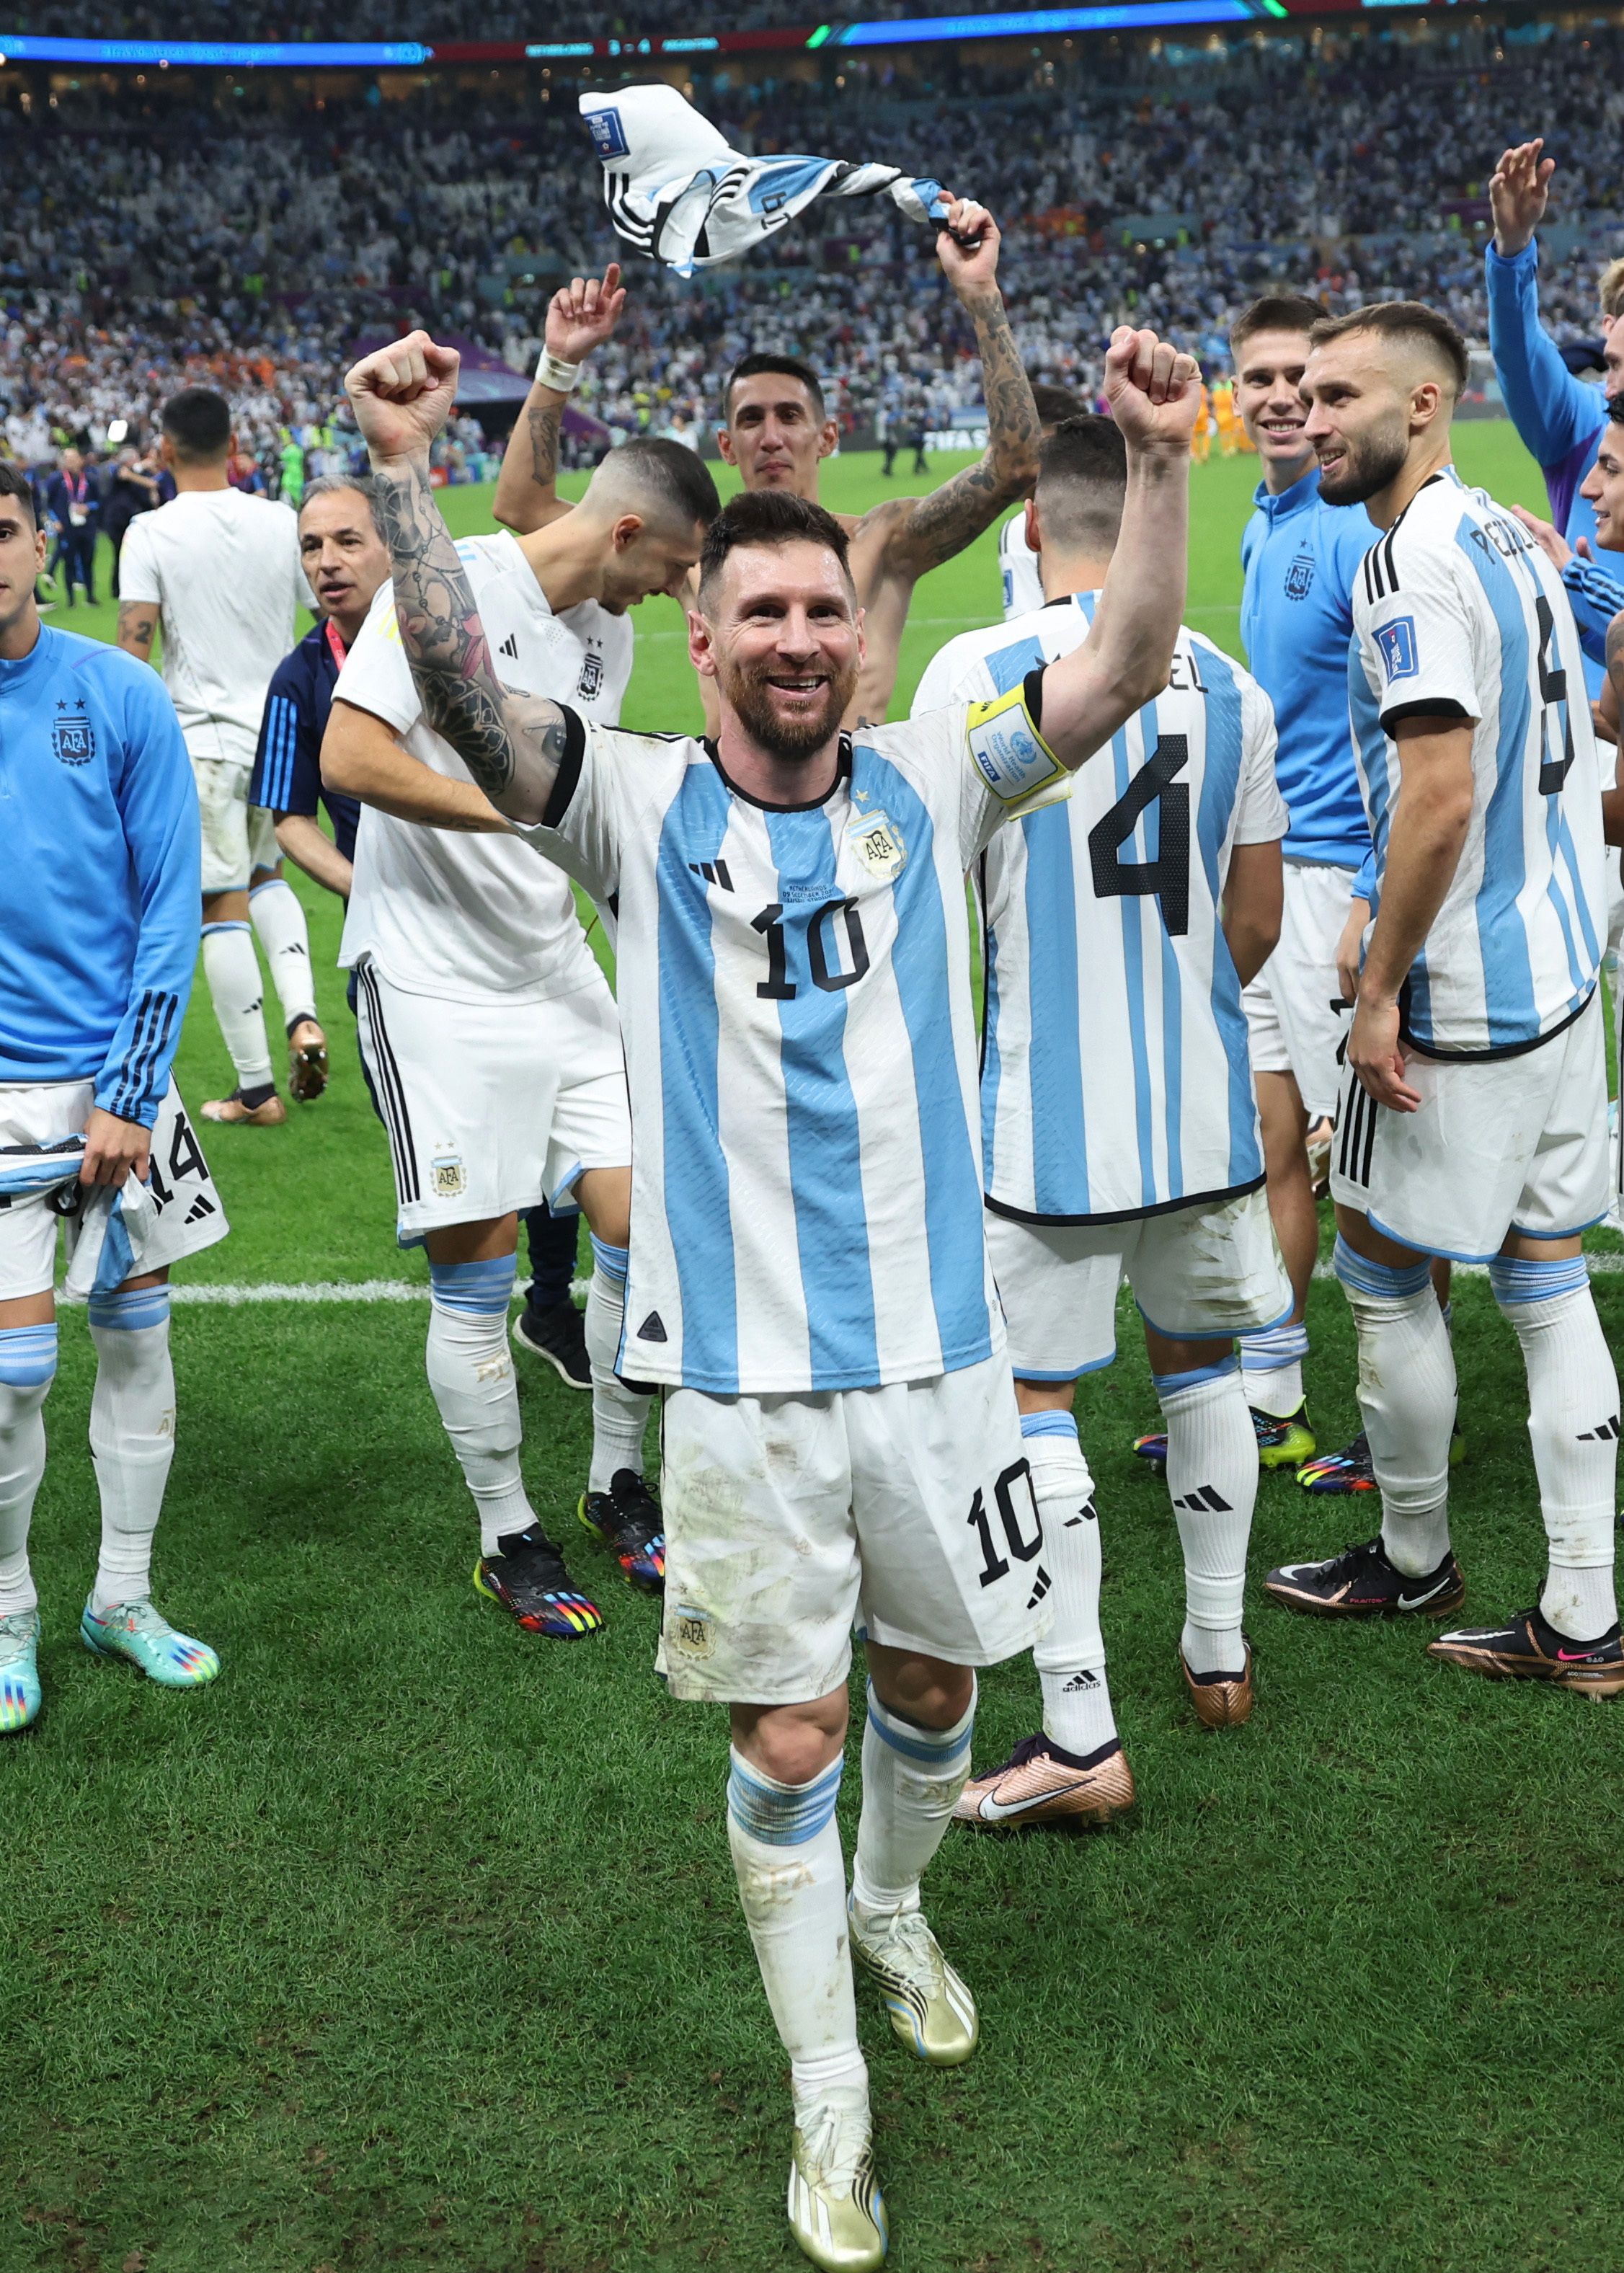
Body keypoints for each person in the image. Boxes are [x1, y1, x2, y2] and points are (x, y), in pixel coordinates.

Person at [345, 319, 1199, 2273]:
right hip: (735, 1380)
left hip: (934, 1362)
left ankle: (894, 1908)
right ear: (706, 639)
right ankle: (828, 2098)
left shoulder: (939, 770)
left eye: (823, 605)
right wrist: (406, 466)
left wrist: (1154, 463)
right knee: (788, 1737)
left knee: (928, 1689)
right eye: (761, 613)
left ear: (853, 634)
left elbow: (1127, 659)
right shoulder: (630, 804)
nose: (800, 636)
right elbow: (469, 696)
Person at [910, 415, 1290, 1827]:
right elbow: (1254, 922)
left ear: (1029, 530)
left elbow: (927, 886)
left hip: (1047, 1118)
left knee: (1037, 1401)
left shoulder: (977, 667)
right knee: (1201, 1365)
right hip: (1202, 1104)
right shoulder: (1235, 684)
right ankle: (1216, 1655)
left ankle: (1078, 1731)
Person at [1265, 303, 1622, 1698]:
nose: (1309, 414)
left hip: (1462, 996)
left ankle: (1413, 1552)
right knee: (1542, 1281)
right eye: (1303, 392)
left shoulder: (1408, 563)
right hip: (1560, 974)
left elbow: (1433, 800)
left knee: (1376, 1259)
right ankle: (1585, 1610)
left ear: (1422, 405)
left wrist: (1372, 991)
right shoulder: (1498, 531)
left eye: (1339, 393)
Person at [321, 435, 722, 1639]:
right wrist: (504, 814)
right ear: (626, 535)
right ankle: (507, 1532)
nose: (675, 591)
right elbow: (350, 755)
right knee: (477, 1267)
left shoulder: (607, 630)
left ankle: (613, 1479)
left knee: (643, 1225)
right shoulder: (449, 582)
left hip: (554, 970)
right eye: (677, 567)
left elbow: (576, 790)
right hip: (434, 980)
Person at [251, 472, 587, 1385]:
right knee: (480, 1164)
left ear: (394, 548)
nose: (328, 563)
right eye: (312, 547)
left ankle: (552, 1303)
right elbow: (287, 820)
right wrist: (361, 887)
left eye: (348, 542)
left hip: (526, 934)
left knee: (565, 1136)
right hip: (413, 955)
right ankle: (492, 1319)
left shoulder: (462, 635)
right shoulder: (301, 677)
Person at [0, 461, 229, 1734]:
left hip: (117, 1087)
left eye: (5, 532)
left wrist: (130, 1093)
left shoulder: (117, 691)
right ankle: (9, 1611)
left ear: (41, 544)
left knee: (137, 1336)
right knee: (11, 1372)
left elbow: (165, 907)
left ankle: (122, 1595)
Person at [492, 216, 1042, 725]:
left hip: (854, 814)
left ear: (827, 437)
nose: (771, 437)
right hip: (732, 821)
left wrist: (980, 296)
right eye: (751, 420)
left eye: (790, 416)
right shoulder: (694, 555)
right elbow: (522, 507)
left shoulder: (881, 542)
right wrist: (559, 362)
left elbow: (1013, 466)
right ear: (727, 446)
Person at [1149, 296, 1379, 1484]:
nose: (1281, 394)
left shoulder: (1345, 528)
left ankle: (1393, 1424)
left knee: (1377, 1175)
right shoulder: (1265, 514)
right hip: (1271, 874)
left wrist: (1373, 900)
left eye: (1301, 375)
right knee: (1270, 1139)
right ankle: (1275, 1391)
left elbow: (1408, 727)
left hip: (1337, 882)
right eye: (1260, 377)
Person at [117, 387, 327, 1125]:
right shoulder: (280, 521)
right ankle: (304, 1016)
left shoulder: (149, 531)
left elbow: (135, 648)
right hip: (281, 734)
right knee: (270, 873)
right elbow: (326, 614)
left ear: (165, 449)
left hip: (201, 741)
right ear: (235, 442)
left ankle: (257, 1091)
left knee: (219, 901)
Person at [1486, 139, 1624, 688]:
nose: (1611, 379)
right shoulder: (1584, 422)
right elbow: (1519, 359)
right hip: (1592, 729)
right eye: (1610, 358)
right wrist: (1513, 248)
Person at [996, 381, 1083, 619]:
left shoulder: (1024, 529)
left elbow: (1030, 638)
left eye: (1001, 445)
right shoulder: (1115, 507)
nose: (991, 460)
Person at [99, 443, 161, 600]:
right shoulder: (117, 470)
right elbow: (125, 475)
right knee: (120, 554)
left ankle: (130, 586)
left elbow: (153, 482)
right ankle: (117, 588)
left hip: (134, 519)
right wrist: (144, 473)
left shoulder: (139, 473)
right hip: (118, 521)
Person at [43, 446, 97, 606]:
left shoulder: (90, 479)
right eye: (68, 458)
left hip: (86, 527)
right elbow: (47, 503)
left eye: (74, 458)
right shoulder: (56, 480)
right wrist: (54, 520)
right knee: (69, 562)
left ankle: (90, 596)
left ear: (81, 460)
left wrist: (89, 507)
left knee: (88, 561)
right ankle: (71, 600)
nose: (72, 462)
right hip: (66, 528)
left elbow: (99, 501)